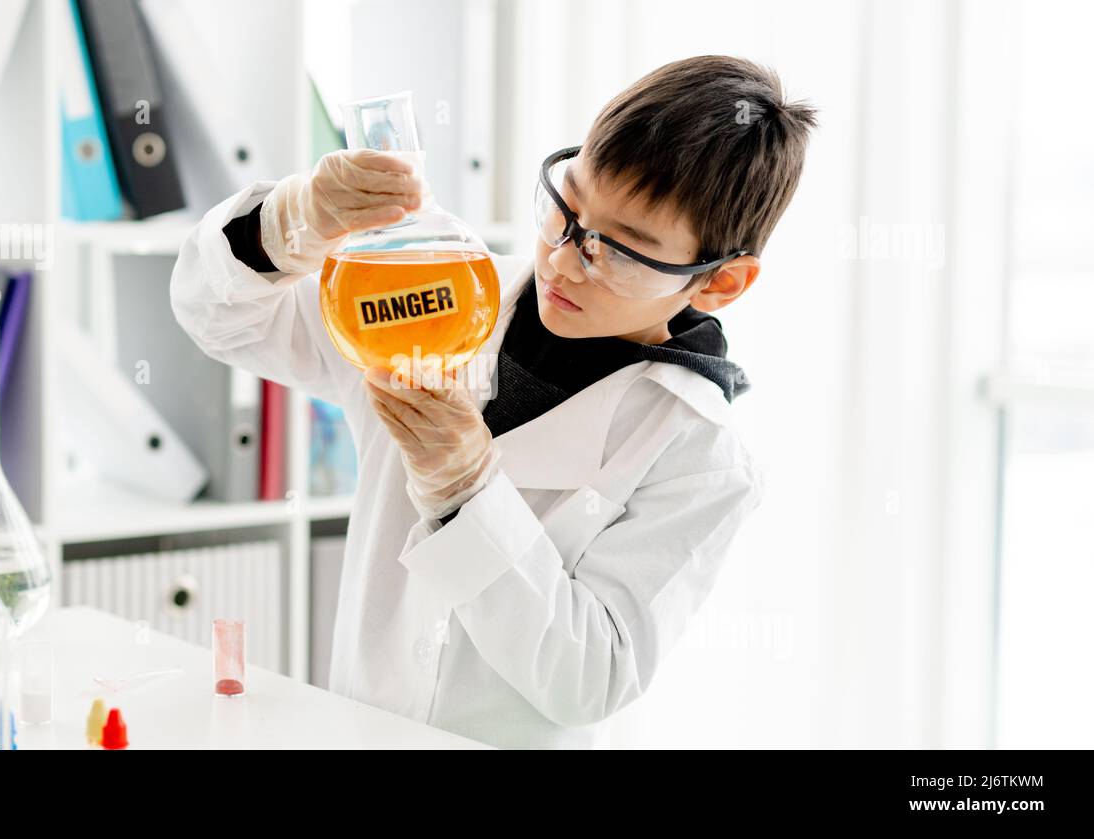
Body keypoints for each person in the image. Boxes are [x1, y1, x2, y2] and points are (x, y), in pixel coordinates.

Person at [171, 55, 816, 748]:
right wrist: (288, 222)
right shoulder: (434, 291)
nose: (564, 260)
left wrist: (466, 490)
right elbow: (219, 317)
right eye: (566, 207)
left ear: (719, 283)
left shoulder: (700, 456)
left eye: (621, 250)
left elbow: (589, 677)